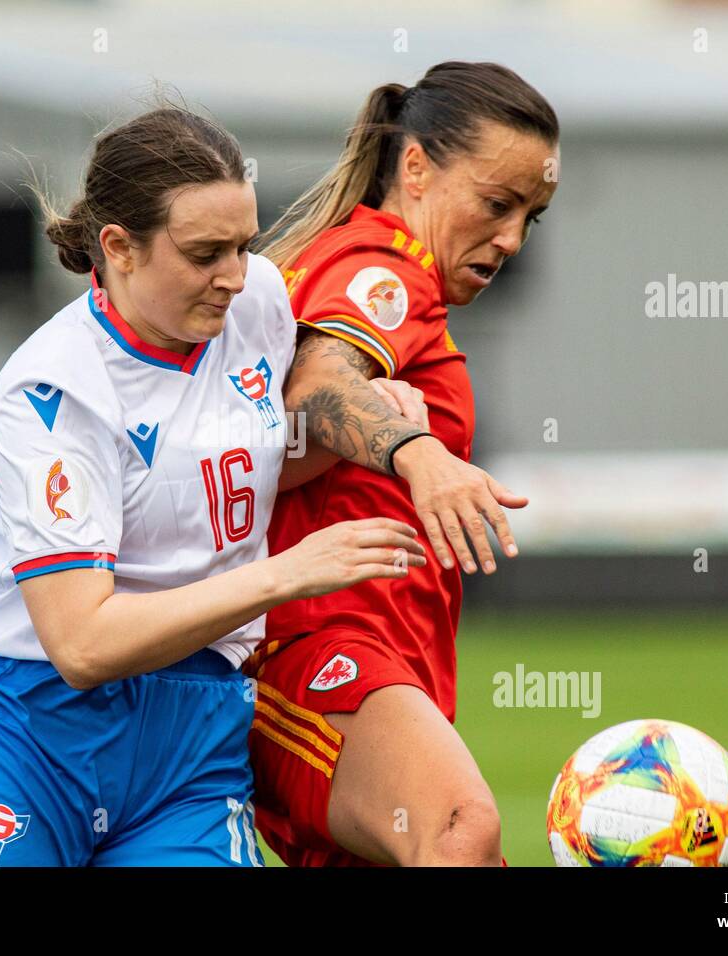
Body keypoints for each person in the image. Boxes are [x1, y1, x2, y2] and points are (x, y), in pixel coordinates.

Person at [0, 105, 428, 867]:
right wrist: (286, 574)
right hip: (30, 728)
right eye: (204, 253)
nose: (234, 275)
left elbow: (243, 463)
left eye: (243, 244)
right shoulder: (55, 386)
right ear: (119, 248)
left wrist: (357, 431)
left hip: (192, 738)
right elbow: (83, 644)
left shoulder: (256, 300)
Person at [246, 61, 560, 867]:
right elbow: (319, 383)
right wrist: (422, 456)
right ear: (414, 167)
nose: (513, 238)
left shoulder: (366, 267)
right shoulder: (383, 269)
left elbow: (273, 435)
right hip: (319, 647)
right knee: (462, 832)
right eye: (497, 204)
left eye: (533, 214)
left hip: (384, 659)